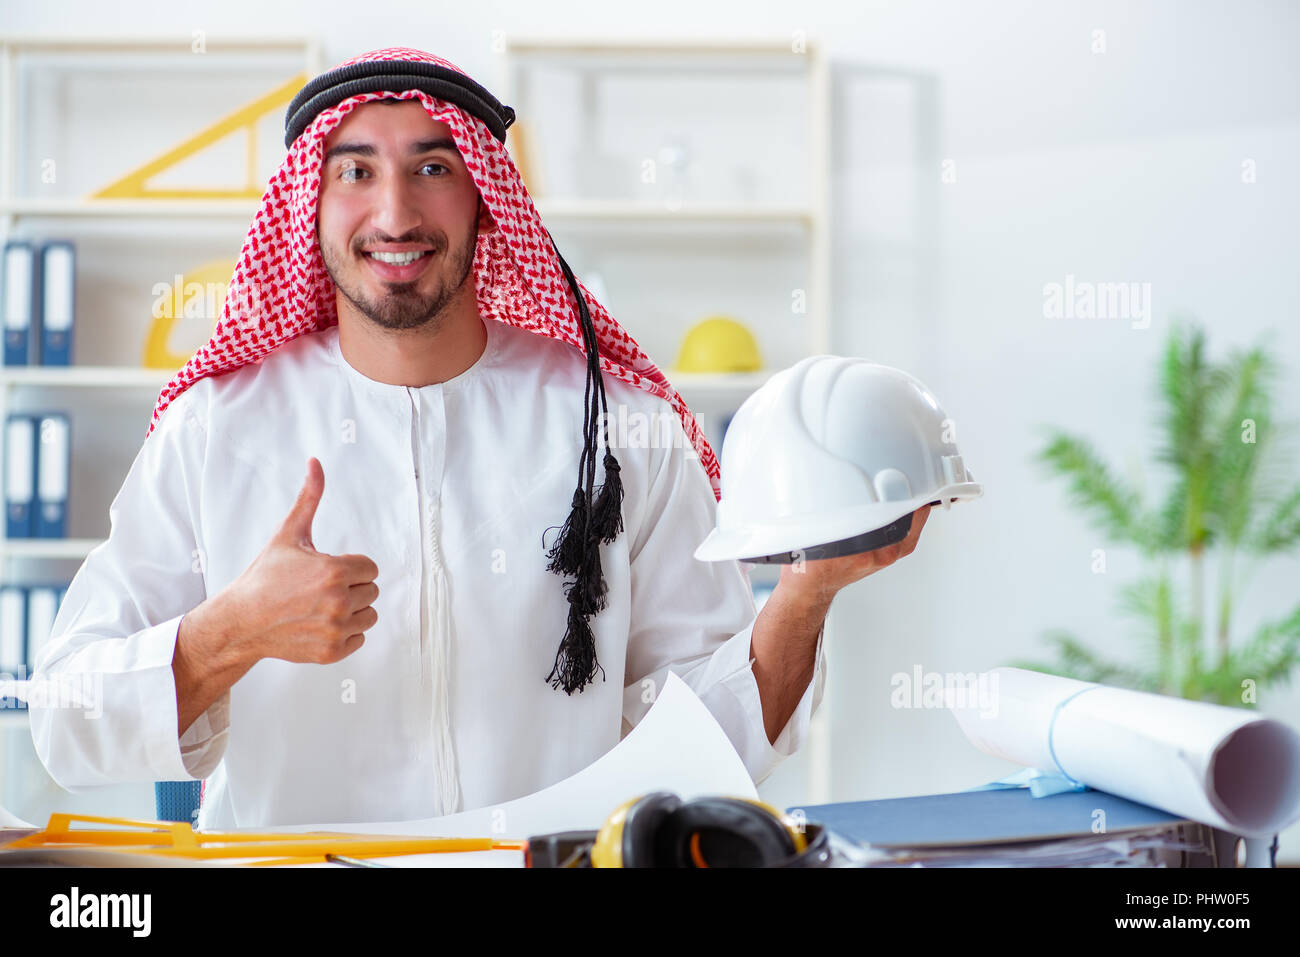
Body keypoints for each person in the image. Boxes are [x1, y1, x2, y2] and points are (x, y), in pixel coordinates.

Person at [29, 48, 929, 829]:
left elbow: (710, 741)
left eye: (432, 167)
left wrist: (807, 595)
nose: (393, 214)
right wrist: (230, 631)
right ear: (308, 199)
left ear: (485, 196)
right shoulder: (214, 428)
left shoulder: (615, 423)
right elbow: (63, 718)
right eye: (355, 171)